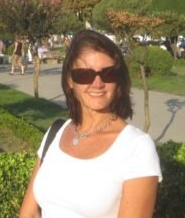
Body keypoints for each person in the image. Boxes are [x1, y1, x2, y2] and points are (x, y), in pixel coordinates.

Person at [19, 29, 161, 217]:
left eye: (108, 73)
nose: (97, 83)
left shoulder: (136, 147)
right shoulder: (56, 132)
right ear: (70, 80)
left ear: (118, 80)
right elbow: (29, 213)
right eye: (85, 75)